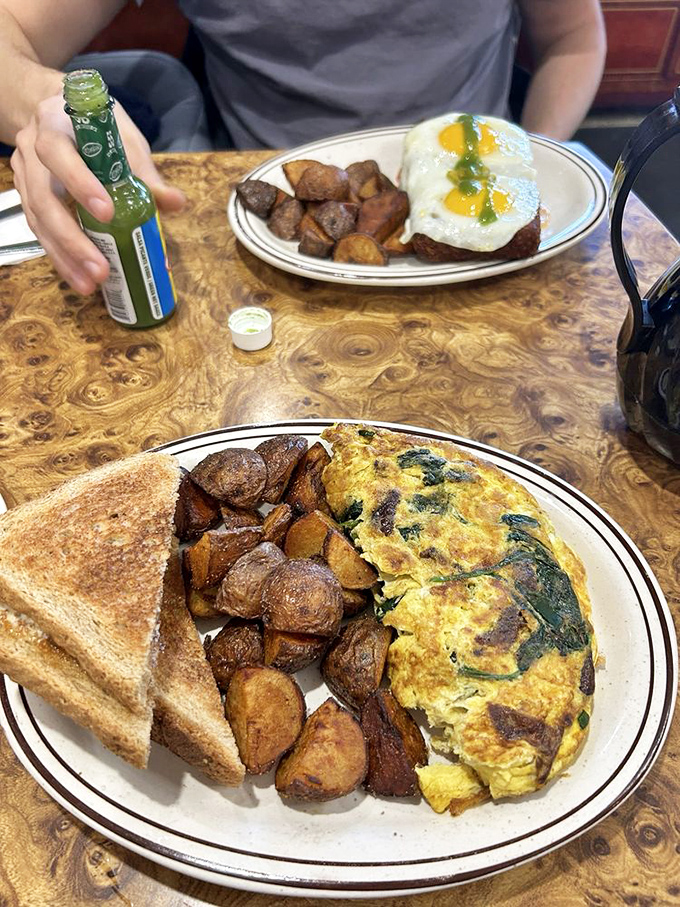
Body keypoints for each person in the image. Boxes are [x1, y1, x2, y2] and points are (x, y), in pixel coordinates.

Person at [0, 0, 606, 295]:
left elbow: (575, 41)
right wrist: (38, 100)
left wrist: (533, 163)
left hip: (515, 263)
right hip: (272, 263)